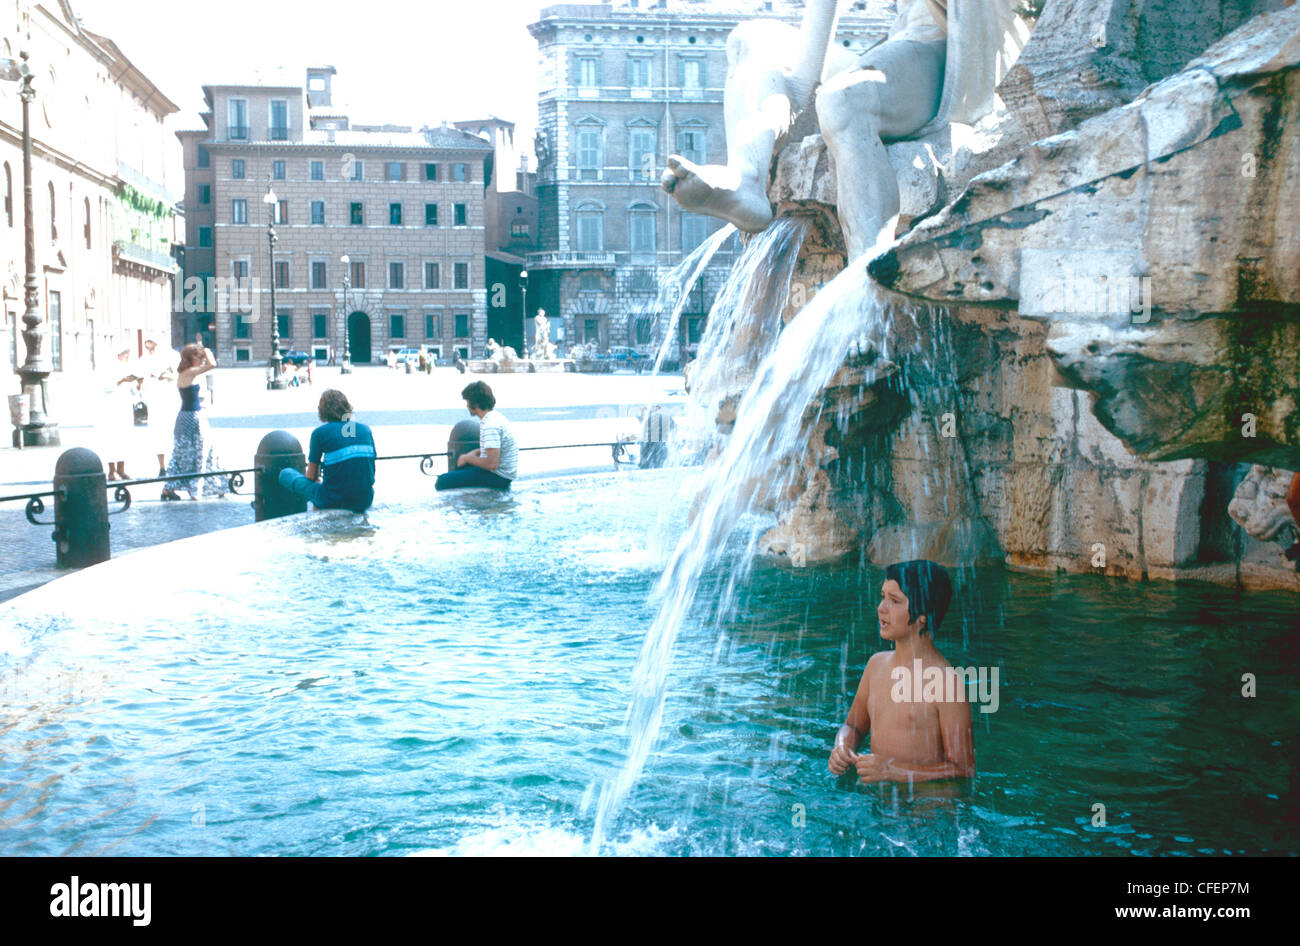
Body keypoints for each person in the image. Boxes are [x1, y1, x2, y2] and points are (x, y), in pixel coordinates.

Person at [662, 0, 1030, 262]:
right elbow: (804, 81)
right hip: (903, 50)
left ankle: (865, 288)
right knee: (752, 39)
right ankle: (747, 178)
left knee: (844, 101)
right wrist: (773, 119)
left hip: (959, 59)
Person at [828, 559, 974, 783]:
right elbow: (853, 726)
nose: (881, 608)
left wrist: (895, 772)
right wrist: (842, 746)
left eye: (894, 601)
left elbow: (964, 770)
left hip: (925, 811)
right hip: (878, 800)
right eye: (883, 596)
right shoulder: (876, 665)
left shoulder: (946, 683)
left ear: (923, 615)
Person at [277, 389, 376, 513]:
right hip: (364, 499)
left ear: (322, 411)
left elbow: (311, 475)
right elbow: (369, 468)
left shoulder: (320, 433)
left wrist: (318, 480)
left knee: (286, 474)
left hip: (334, 500)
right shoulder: (365, 430)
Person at [161, 343, 226, 501]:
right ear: (191, 358)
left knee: (182, 452)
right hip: (194, 417)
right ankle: (197, 489)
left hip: (184, 416)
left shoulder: (184, 372)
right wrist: (207, 350)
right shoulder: (190, 371)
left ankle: (169, 487)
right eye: (198, 357)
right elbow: (213, 364)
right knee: (202, 451)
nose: (201, 359)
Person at [435, 381, 517, 491]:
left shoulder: (490, 425)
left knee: (442, 481)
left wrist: (467, 458)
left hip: (498, 478)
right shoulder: (495, 417)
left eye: (468, 401)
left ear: (475, 404)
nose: (467, 405)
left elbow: (492, 464)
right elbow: (494, 449)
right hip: (503, 475)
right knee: (460, 469)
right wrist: (475, 453)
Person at [136, 337, 175, 476]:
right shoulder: (143, 360)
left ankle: (173, 464)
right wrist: (141, 382)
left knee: (171, 432)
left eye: (153, 346)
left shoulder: (169, 358)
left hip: (169, 400)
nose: (150, 349)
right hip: (153, 401)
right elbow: (138, 383)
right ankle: (162, 466)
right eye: (148, 347)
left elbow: (177, 376)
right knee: (158, 434)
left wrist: (166, 376)